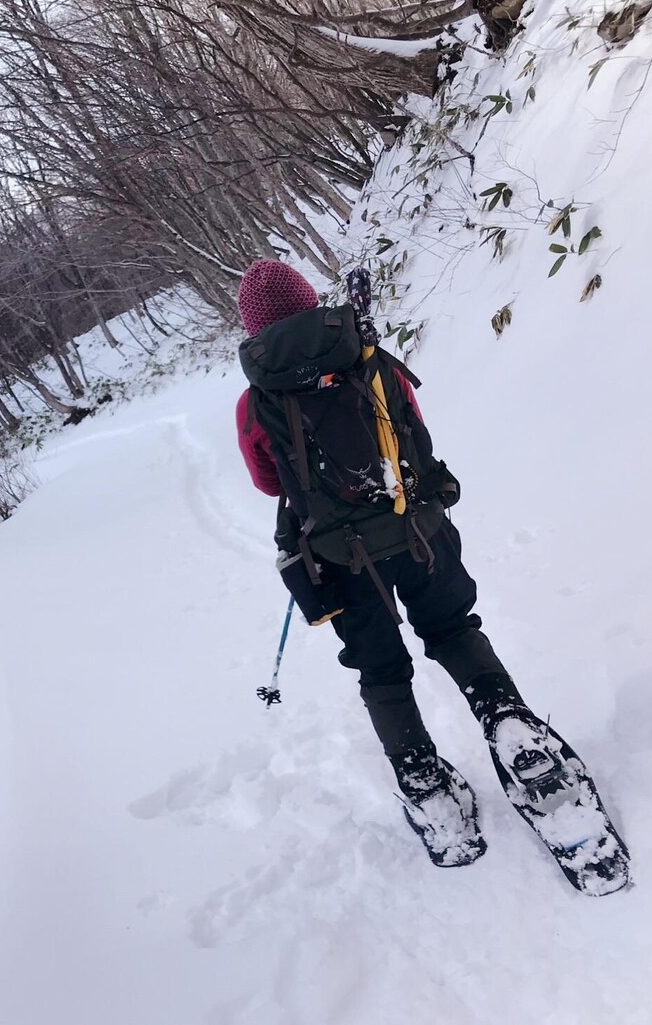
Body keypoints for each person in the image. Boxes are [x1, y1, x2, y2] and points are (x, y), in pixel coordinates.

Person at [232, 259, 557, 868]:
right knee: (455, 630)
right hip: (420, 535)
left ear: (254, 328)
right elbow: (415, 433)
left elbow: (266, 480)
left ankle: (425, 786)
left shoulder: (255, 403)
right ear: (310, 302)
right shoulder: (369, 358)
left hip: (343, 562)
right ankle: (513, 729)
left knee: (380, 671)